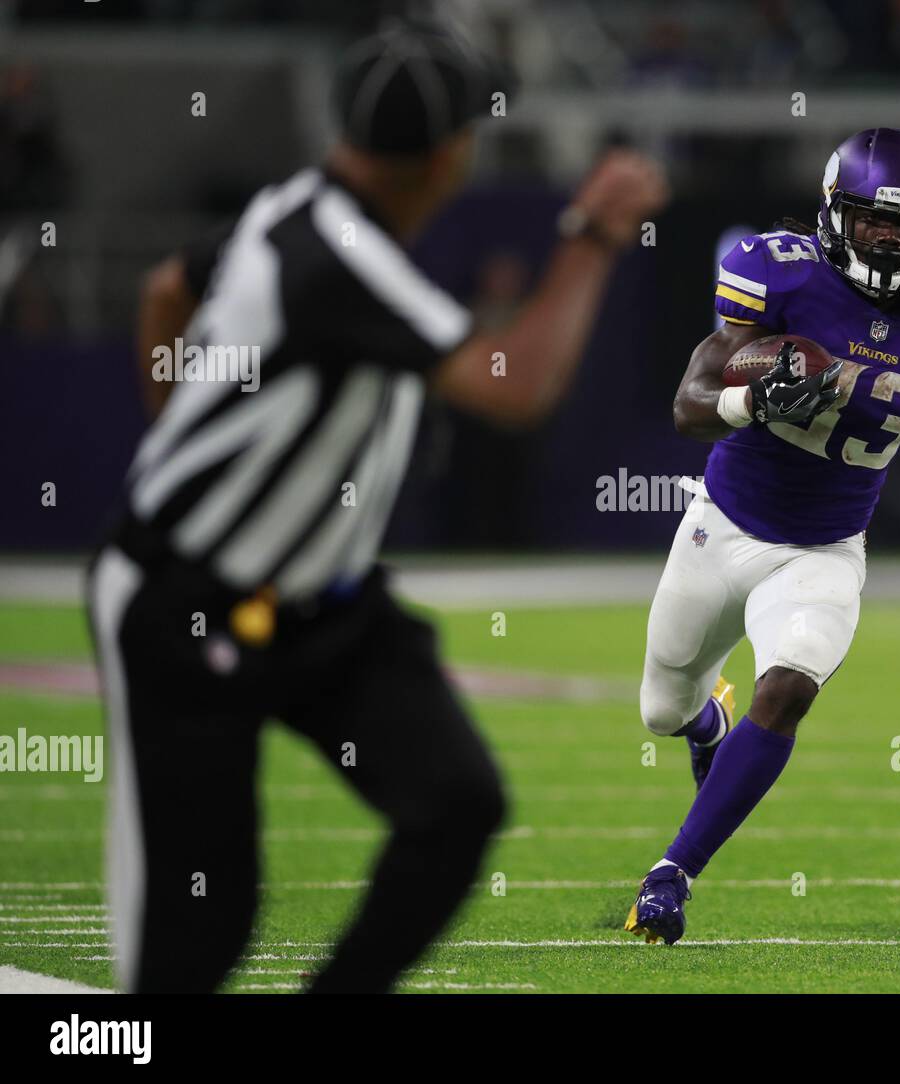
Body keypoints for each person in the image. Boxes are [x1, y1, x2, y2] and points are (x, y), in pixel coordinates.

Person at [87, 22, 667, 992]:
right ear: (445, 156)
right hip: (186, 604)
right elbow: (515, 384)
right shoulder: (342, 255)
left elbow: (164, 289)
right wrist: (595, 235)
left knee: (454, 801)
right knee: (201, 930)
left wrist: (174, 413)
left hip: (320, 602)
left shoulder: (296, 209)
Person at [625, 127, 900, 945]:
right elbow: (688, 404)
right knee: (661, 709)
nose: (893, 239)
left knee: (789, 687)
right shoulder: (779, 275)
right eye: (874, 221)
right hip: (720, 529)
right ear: (835, 215)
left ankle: (671, 874)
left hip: (824, 550)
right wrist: (751, 403)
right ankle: (706, 727)